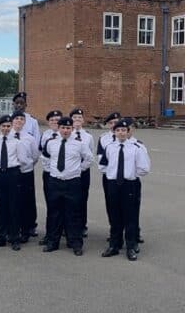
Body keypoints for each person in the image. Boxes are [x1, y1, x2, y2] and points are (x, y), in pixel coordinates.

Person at [98, 119, 149, 261]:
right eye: (118, 130)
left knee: (130, 216)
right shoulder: (109, 147)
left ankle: (131, 246)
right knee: (114, 215)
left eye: (124, 130)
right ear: (114, 132)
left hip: (129, 184)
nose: (121, 133)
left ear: (128, 132)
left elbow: (144, 168)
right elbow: (102, 165)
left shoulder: (136, 148)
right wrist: (111, 175)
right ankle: (114, 245)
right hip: (113, 184)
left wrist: (131, 175)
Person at [41, 117, 93, 256]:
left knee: (74, 214)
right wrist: (52, 171)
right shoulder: (51, 143)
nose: (65, 130)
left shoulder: (79, 144)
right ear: (58, 128)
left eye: (68, 128)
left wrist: (78, 169)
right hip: (55, 182)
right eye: (63, 127)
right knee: (54, 213)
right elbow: (45, 158)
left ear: (72, 129)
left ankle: (75, 243)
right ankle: (52, 242)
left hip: (72, 182)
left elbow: (89, 159)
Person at [0, 115, 29, 251]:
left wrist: (12, 169)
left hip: (13, 174)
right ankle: (1, 237)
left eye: (8, 126)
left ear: (11, 127)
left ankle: (14, 237)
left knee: (14, 206)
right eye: (3, 126)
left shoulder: (17, 142)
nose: (5, 129)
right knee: (1, 206)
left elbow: (23, 160)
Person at [11, 111, 40, 242]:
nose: (19, 121)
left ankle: (26, 229)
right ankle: (12, 228)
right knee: (13, 201)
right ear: (12, 121)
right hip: (11, 173)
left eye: (22, 119)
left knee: (26, 201)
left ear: (24, 122)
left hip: (25, 173)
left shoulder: (29, 138)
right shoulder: (6, 136)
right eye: (16, 118)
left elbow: (35, 156)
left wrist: (27, 166)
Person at [37, 110, 62, 245]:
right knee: (51, 205)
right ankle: (50, 234)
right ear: (48, 122)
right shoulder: (45, 135)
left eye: (57, 120)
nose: (54, 122)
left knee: (65, 206)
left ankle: (65, 232)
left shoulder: (67, 134)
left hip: (64, 175)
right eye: (52, 120)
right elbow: (42, 154)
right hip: (49, 174)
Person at [69, 108, 94, 237]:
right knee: (70, 199)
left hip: (83, 172)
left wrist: (81, 168)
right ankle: (68, 226)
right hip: (70, 172)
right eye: (74, 117)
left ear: (83, 120)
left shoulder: (88, 136)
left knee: (82, 199)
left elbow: (90, 155)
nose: (77, 120)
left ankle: (82, 225)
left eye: (79, 117)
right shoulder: (67, 134)